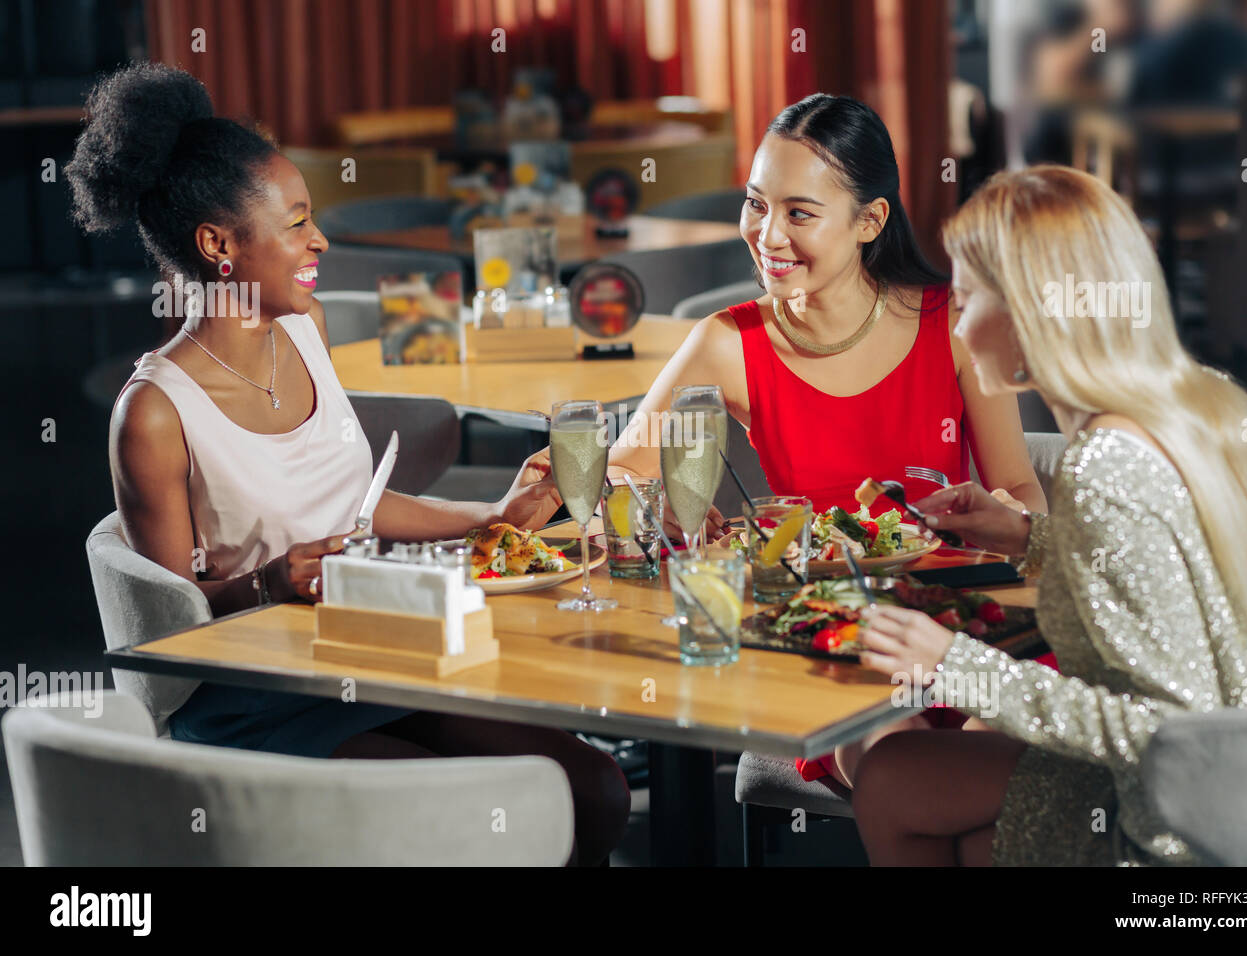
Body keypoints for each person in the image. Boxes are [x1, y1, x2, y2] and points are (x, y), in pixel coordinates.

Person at [68, 62, 626, 865]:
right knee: (487, 815)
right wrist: (268, 583)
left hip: (370, 655)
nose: (319, 241)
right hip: (259, 701)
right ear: (219, 246)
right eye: (296, 224)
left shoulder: (306, 328)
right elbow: (169, 623)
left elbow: (353, 507)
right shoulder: (153, 413)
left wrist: (492, 518)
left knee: (594, 786)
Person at [528, 93, 1048, 786]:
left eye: (799, 213)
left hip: (968, 624)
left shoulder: (950, 322)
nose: (768, 236)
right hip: (825, 643)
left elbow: (1019, 490)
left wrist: (1006, 524)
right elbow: (621, 468)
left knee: (993, 769)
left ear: (871, 220)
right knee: (905, 765)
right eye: (756, 204)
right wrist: (649, 503)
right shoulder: (728, 342)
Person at [851, 165, 1247, 865]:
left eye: (967, 301)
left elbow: (1168, 730)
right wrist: (1031, 538)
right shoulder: (1208, 405)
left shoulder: (1104, 468)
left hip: (1179, 825)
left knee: (893, 784)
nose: (959, 327)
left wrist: (955, 664)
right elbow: (1183, 582)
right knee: (914, 771)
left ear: (1032, 312)